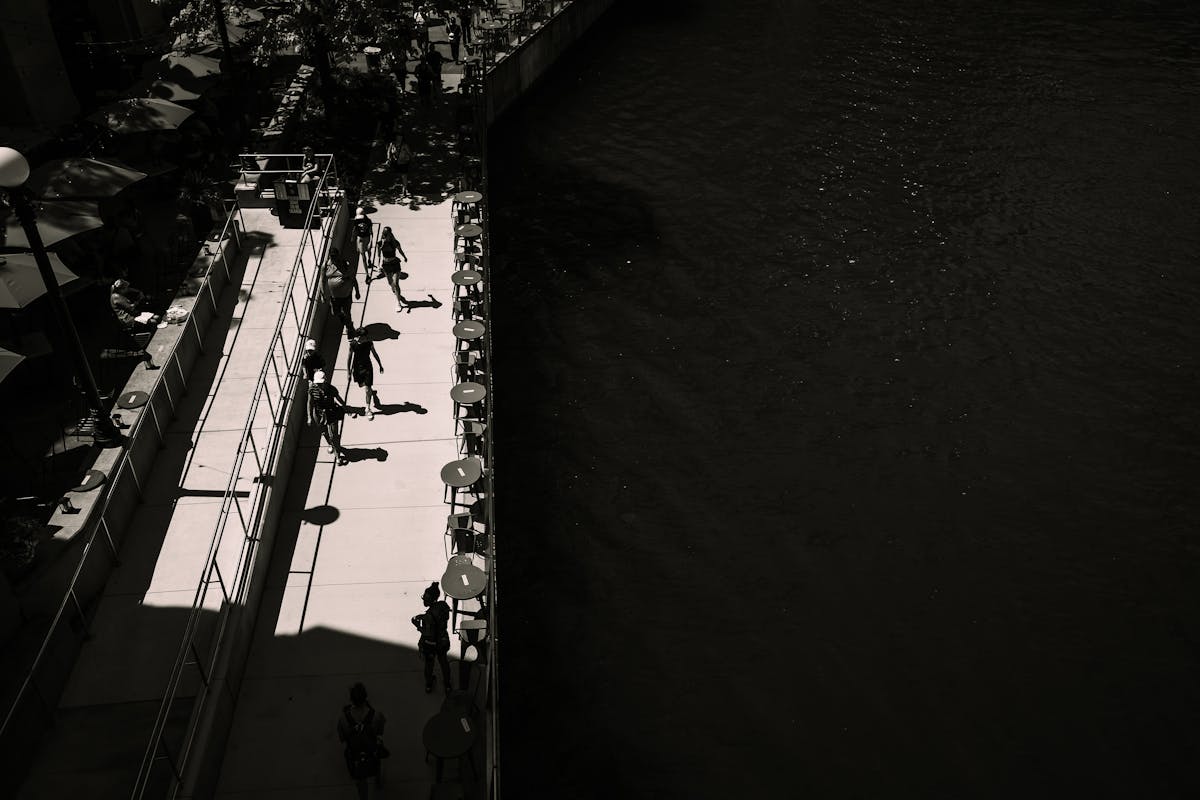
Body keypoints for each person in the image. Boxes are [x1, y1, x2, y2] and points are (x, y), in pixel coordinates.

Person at [336, 682, 387, 800]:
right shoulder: (376, 715)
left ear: (351, 700)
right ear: (366, 698)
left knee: (361, 782)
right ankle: (378, 780)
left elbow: (342, 739)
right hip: (372, 752)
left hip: (356, 757)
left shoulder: (343, 719)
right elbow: (380, 732)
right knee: (377, 760)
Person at [411, 582, 452, 694]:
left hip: (431, 644)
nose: (424, 600)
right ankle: (447, 685)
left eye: (425, 599)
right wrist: (425, 617)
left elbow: (428, 633)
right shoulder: (443, 606)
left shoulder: (428, 617)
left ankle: (429, 684)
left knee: (429, 665)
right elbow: (439, 619)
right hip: (443, 640)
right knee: (444, 663)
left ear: (431, 599)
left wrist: (418, 626)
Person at [309, 370, 349, 465]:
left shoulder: (332, 389)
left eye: (321, 383)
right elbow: (309, 402)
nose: (319, 386)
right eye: (318, 384)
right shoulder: (312, 389)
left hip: (331, 413)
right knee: (324, 432)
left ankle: (337, 456)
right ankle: (331, 445)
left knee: (333, 436)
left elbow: (338, 398)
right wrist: (309, 416)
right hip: (318, 414)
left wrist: (345, 407)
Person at [347, 328, 384, 420]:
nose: (366, 338)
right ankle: (373, 394)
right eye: (364, 337)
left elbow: (375, 353)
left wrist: (380, 365)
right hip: (358, 368)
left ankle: (368, 408)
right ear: (359, 337)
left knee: (367, 389)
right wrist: (348, 372)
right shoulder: (353, 344)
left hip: (368, 368)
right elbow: (349, 358)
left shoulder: (369, 343)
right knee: (363, 386)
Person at [322, 247, 360, 334]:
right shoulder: (326, 265)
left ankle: (350, 329)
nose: (334, 259)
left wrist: (357, 292)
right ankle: (344, 319)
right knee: (335, 313)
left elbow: (353, 279)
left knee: (347, 313)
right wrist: (322, 293)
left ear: (338, 255)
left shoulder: (345, 265)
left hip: (346, 296)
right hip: (334, 297)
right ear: (329, 256)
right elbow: (322, 280)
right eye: (332, 257)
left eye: (335, 256)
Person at [377, 227, 410, 311]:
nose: (385, 236)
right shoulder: (380, 243)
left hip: (395, 264)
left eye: (386, 234)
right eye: (384, 234)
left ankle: (398, 303)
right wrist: (378, 265)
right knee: (390, 283)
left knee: (396, 283)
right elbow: (379, 254)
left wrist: (404, 257)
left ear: (390, 234)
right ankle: (394, 289)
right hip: (386, 265)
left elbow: (400, 250)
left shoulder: (395, 242)